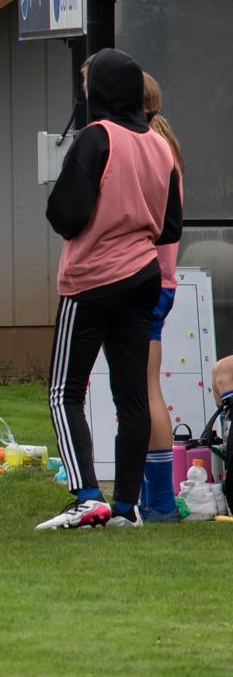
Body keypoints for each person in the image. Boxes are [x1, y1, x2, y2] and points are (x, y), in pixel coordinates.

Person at [39, 48, 183, 530]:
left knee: (64, 390)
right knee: (132, 395)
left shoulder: (96, 138)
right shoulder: (160, 145)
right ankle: (126, 505)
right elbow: (168, 227)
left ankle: (85, 494)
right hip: (142, 276)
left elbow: (64, 215)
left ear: (98, 89)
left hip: (91, 279)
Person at [140, 74, 185, 522]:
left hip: (148, 283)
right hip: (161, 281)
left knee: (145, 389)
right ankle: (153, 497)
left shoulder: (150, 149)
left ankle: (160, 502)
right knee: (143, 387)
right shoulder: (164, 145)